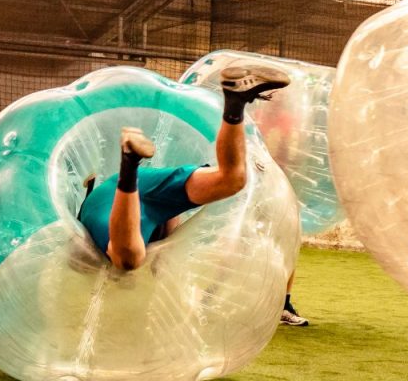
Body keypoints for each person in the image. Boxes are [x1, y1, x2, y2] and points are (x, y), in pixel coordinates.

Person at [78, 63, 291, 270]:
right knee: (129, 258)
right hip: (127, 198)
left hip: (113, 204)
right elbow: (167, 217)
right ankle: (130, 164)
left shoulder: (101, 238)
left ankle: (236, 100)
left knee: (233, 181)